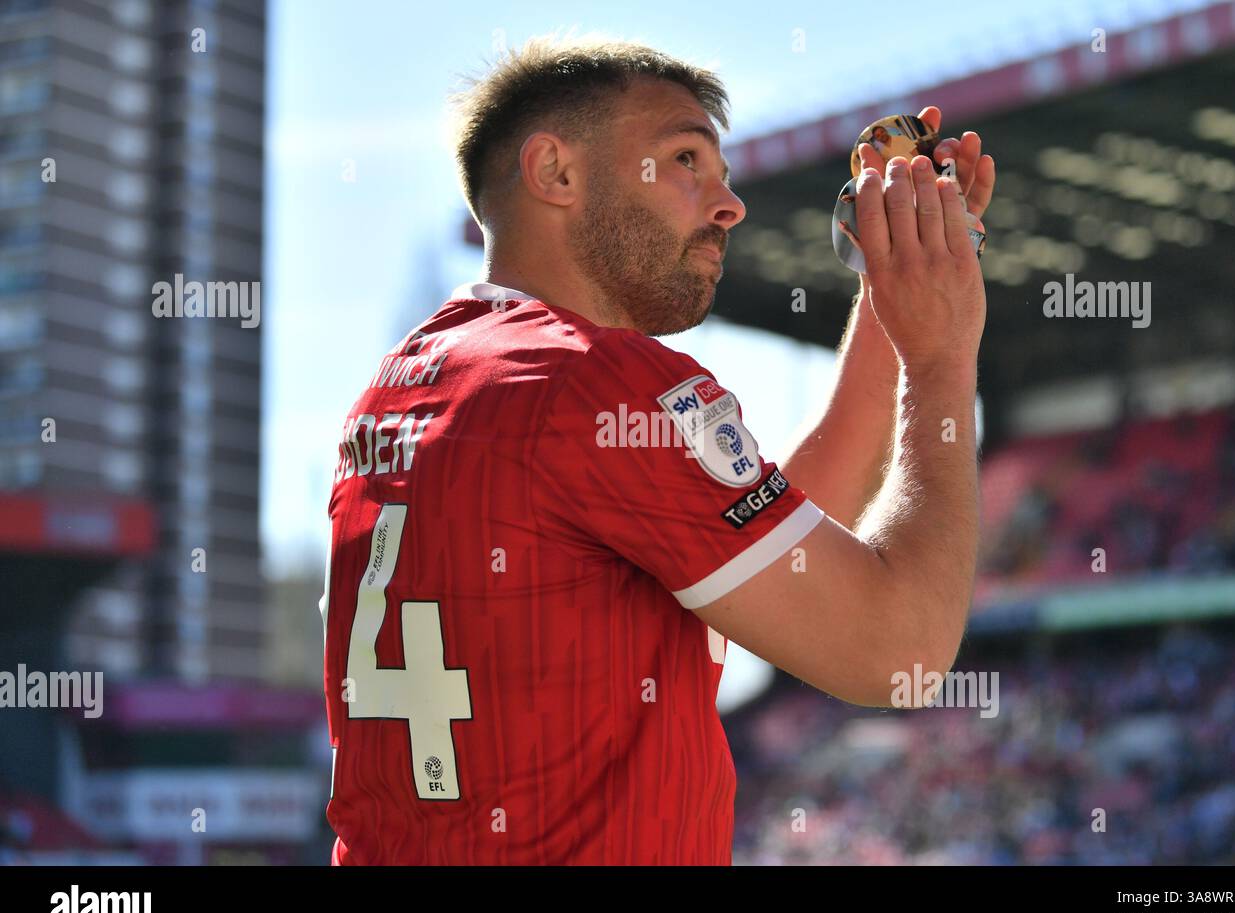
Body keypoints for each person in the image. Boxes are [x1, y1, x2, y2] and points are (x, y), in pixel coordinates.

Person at [320, 35, 996, 865]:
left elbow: (779, 550)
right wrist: (941, 355)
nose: (729, 204)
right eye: (684, 159)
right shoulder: (593, 380)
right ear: (556, 173)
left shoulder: (402, 389)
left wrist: (889, 283)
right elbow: (902, 648)